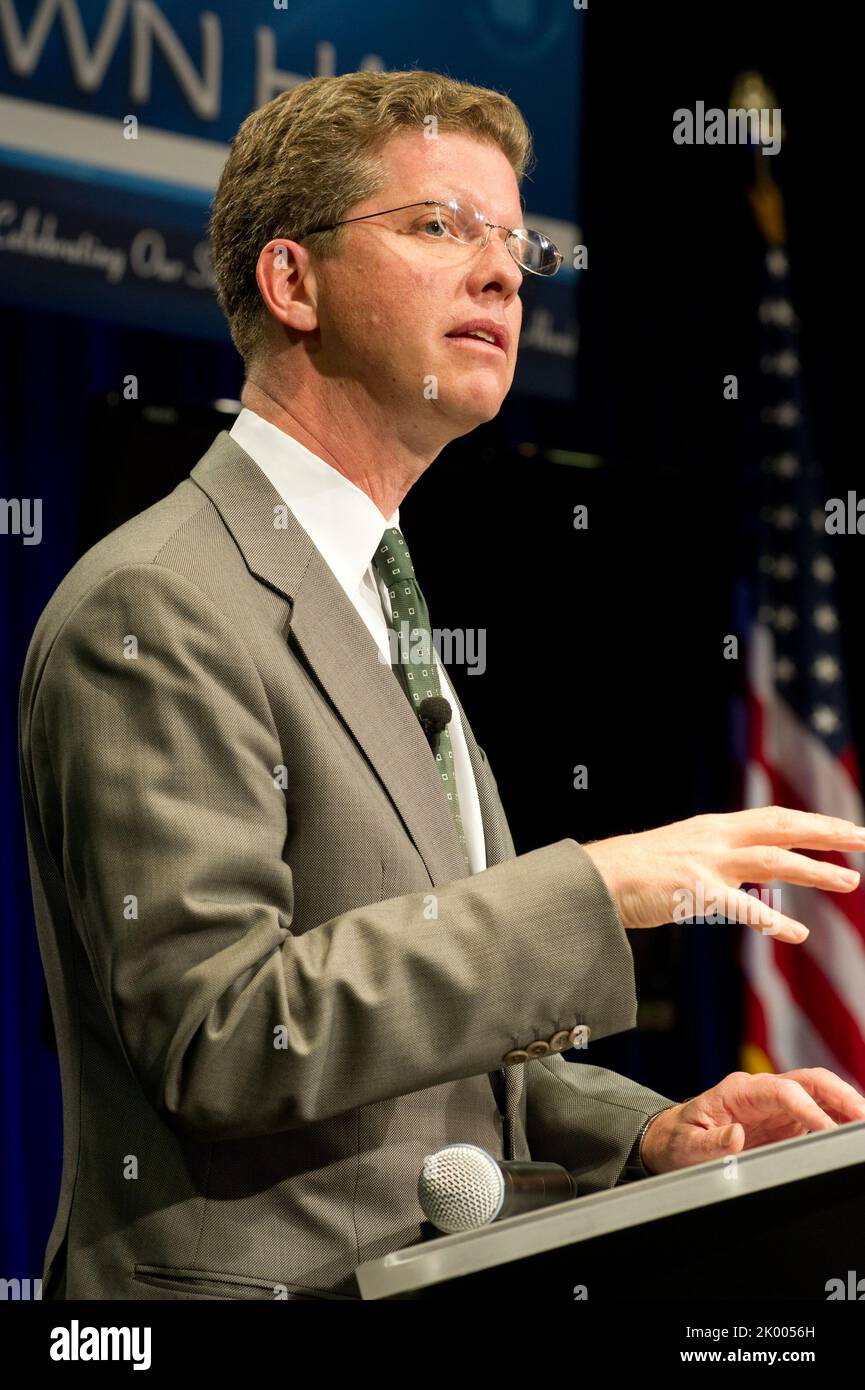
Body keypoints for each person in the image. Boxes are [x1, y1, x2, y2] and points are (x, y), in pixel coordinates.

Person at [18, 69, 865, 1302]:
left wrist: (640, 1131)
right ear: (290, 280)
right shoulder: (160, 602)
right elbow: (221, 1033)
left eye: (513, 240)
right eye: (438, 228)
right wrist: (592, 887)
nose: (503, 273)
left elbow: (431, 1037)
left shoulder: (379, 595)